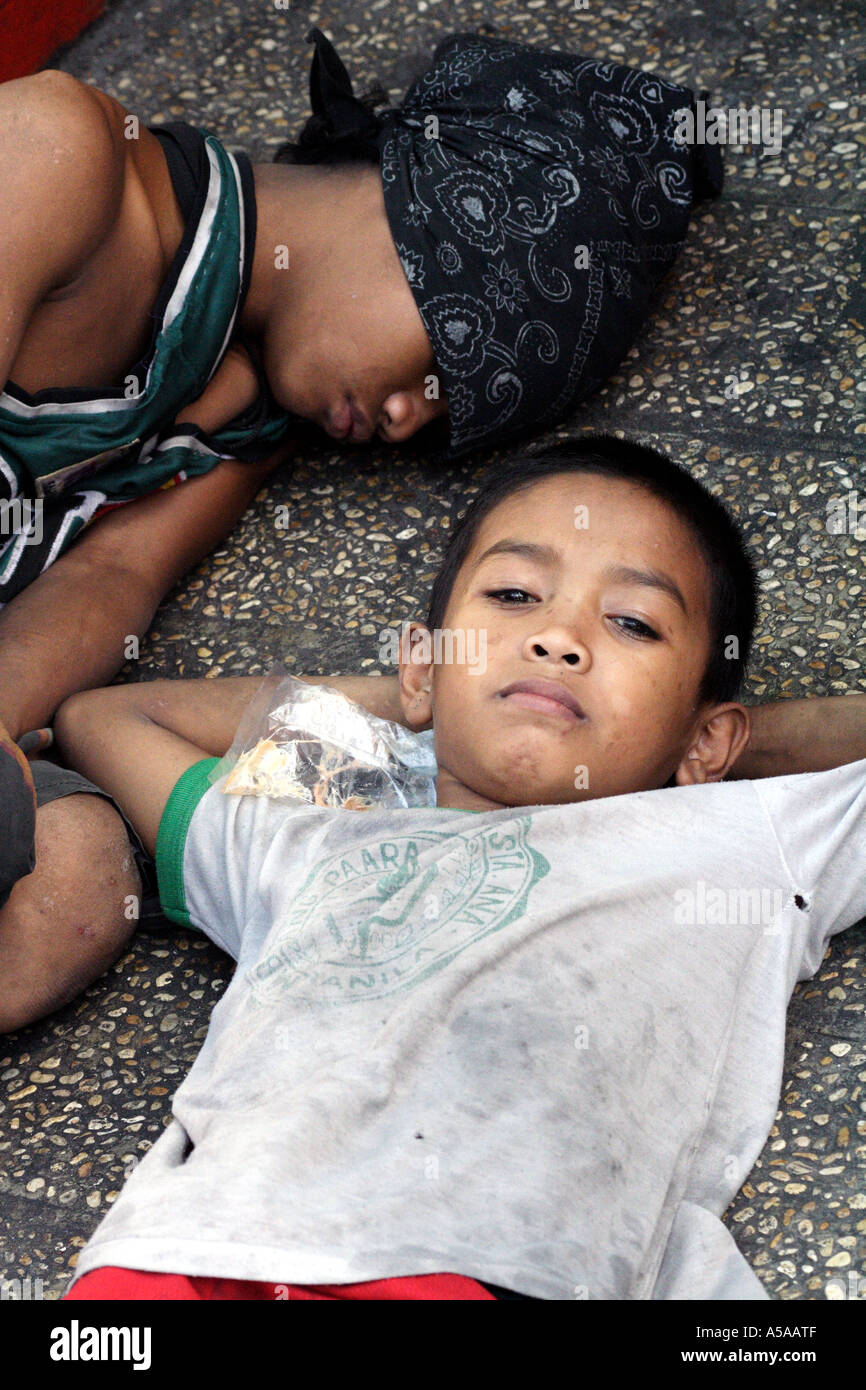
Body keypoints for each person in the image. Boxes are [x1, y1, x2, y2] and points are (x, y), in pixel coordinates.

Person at [0, 26, 724, 1029]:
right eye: (448, 361)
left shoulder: (246, 418)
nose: (406, 417)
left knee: (74, 870)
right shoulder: (59, 155)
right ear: (410, 216)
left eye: (451, 419)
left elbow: (110, 578)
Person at [53, 436, 865, 1301]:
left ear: (712, 739)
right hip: (188, 1259)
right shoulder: (306, 845)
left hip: (488, 1273)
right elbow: (108, 717)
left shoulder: (746, 835)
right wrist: (426, 697)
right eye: (514, 596)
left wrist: (705, 751)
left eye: (632, 623)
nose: (558, 637)